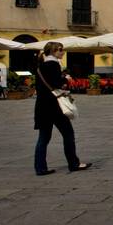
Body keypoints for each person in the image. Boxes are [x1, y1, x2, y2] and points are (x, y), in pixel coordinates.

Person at [33, 41, 90, 175]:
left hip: (42, 106)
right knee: (68, 134)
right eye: (60, 50)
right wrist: (65, 80)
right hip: (55, 106)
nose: (62, 52)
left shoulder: (40, 66)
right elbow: (57, 83)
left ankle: (40, 168)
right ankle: (73, 163)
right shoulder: (53, 64)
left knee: (43, 138)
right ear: (52, 51)